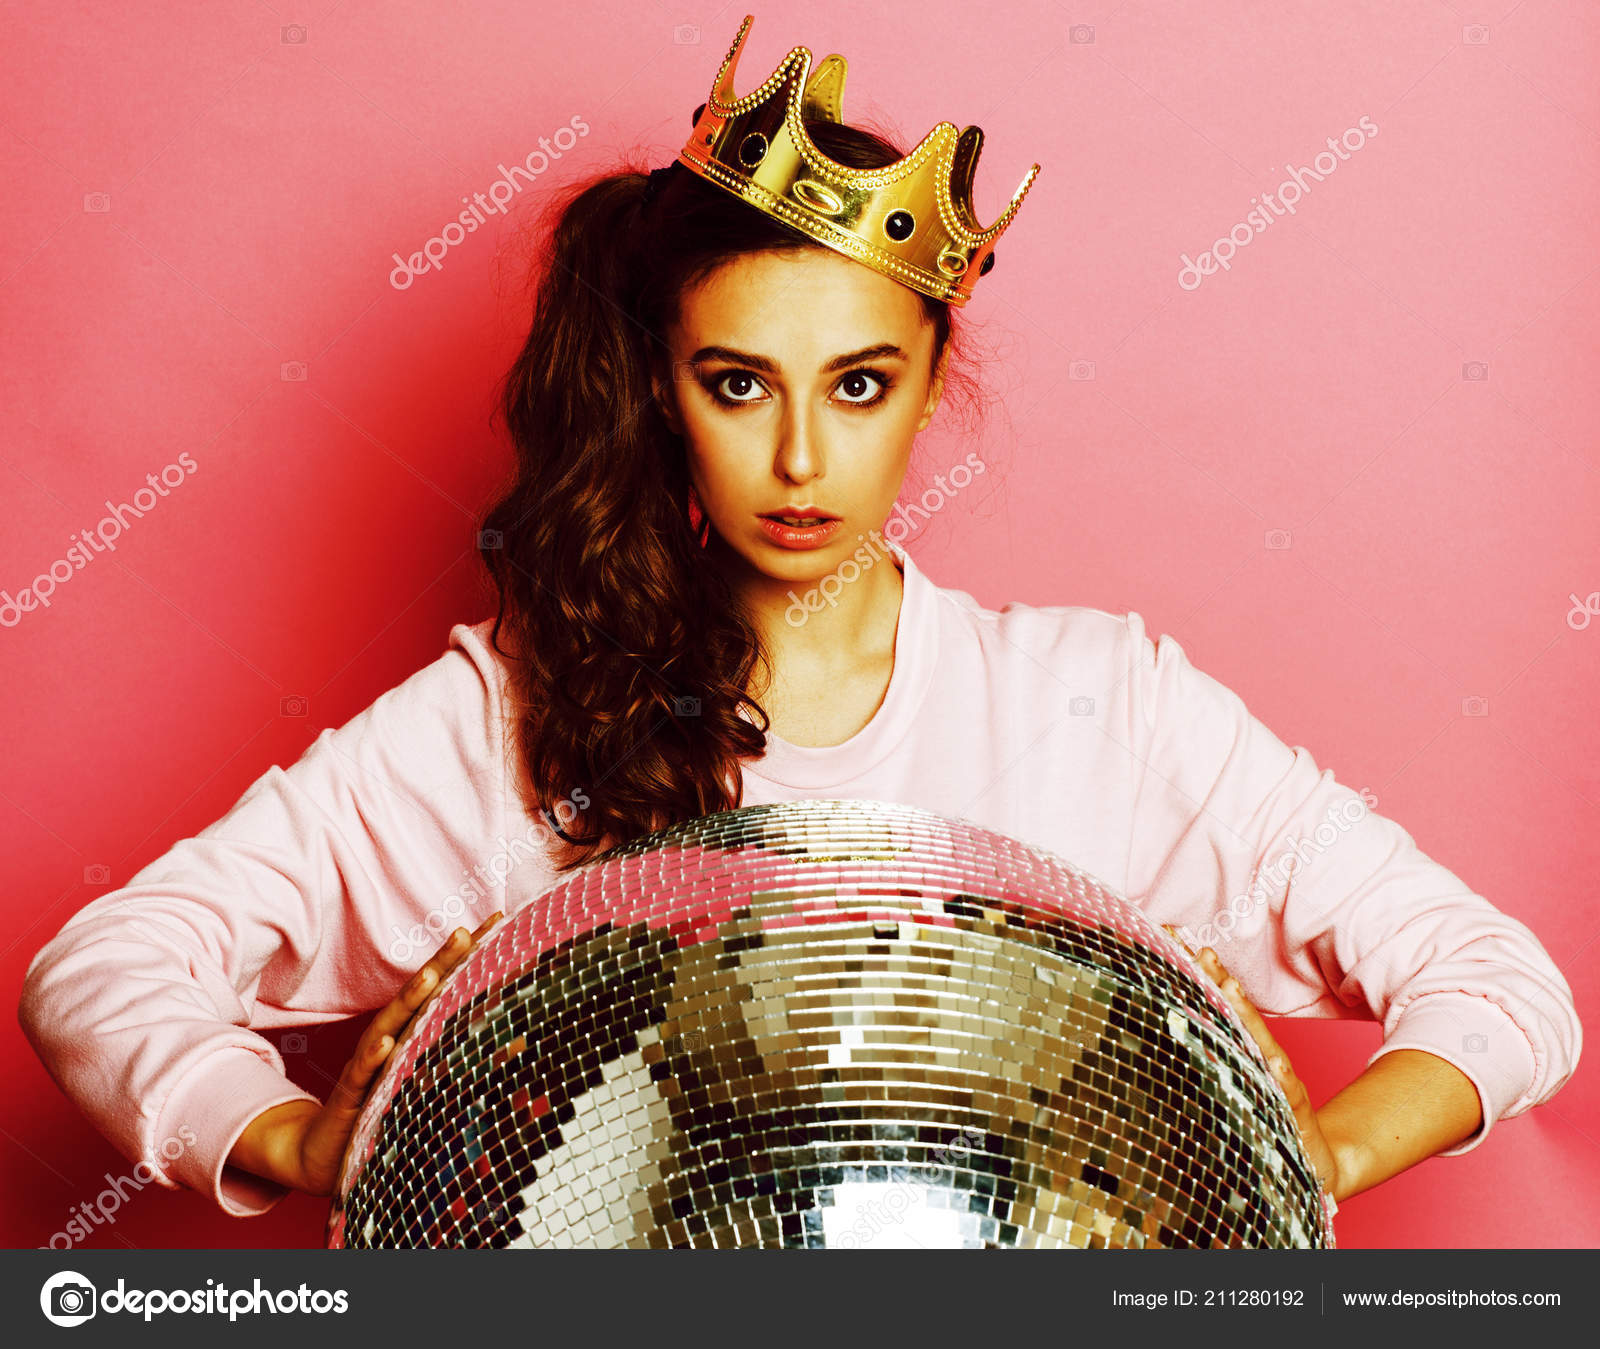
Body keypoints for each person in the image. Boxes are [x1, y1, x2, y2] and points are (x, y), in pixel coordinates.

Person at [17, 15, 1580, 1236]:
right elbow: (108, 963)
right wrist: (298, 1131)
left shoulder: (1097, 706)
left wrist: (1297, 1154)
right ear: (661, 388)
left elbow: (1499, 982)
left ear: (926, 386)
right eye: (737, 381)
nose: (801, 462)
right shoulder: (511, 723)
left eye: (858, 384)